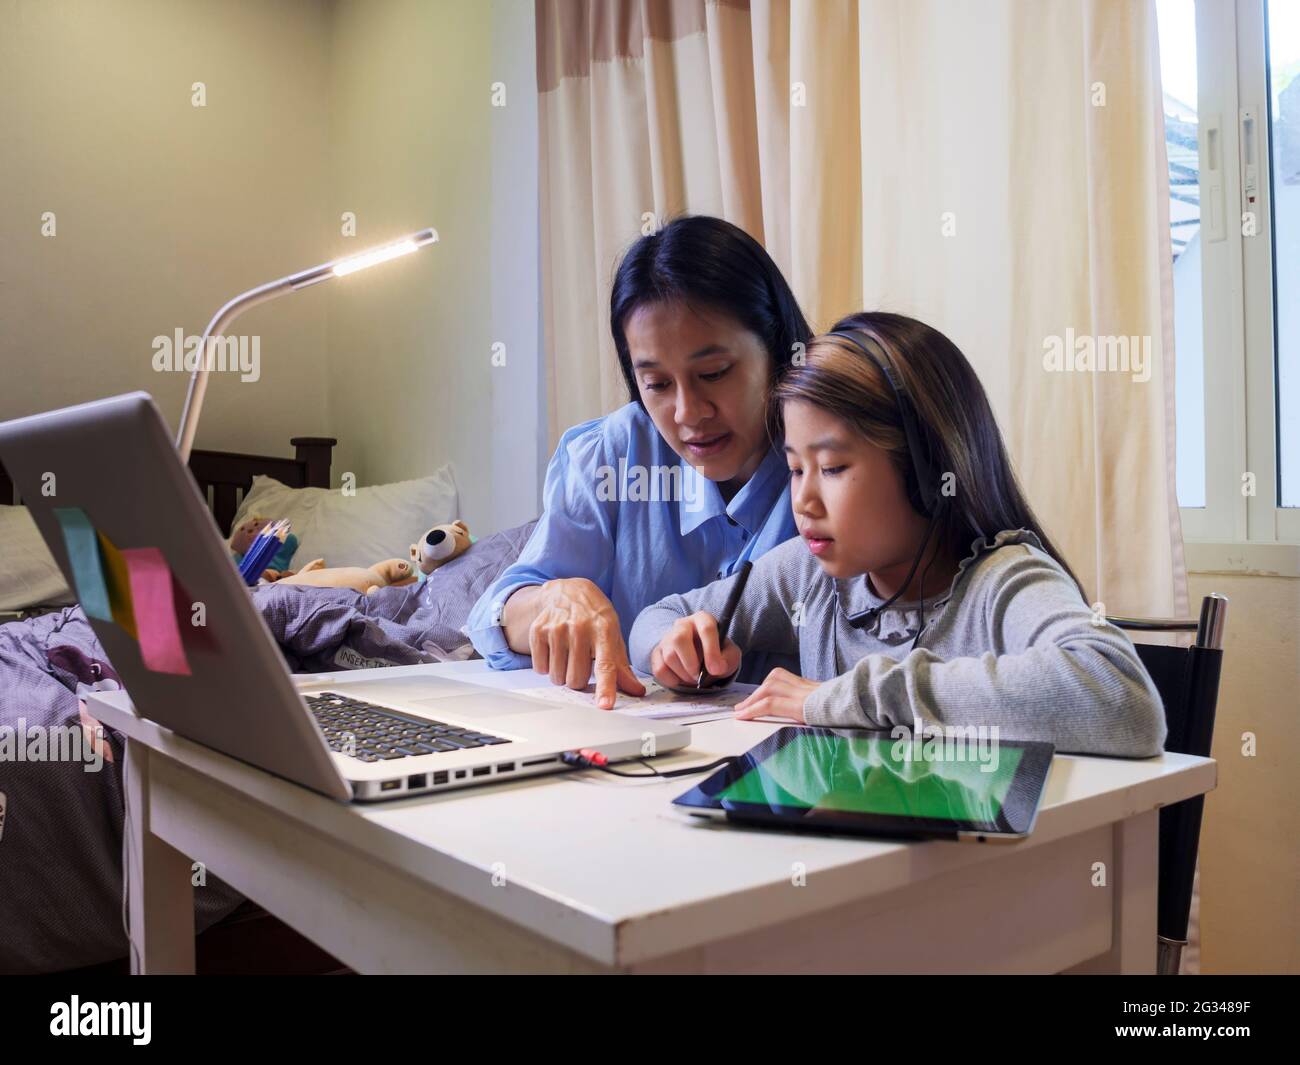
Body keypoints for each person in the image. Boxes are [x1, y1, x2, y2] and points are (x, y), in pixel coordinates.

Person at [629, 311, 1166, 757]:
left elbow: (1120, 699)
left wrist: (841, 698)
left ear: (927, 469)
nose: (804, 501)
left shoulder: (1003, 583)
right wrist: (672, 649)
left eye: (833, 467)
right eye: (795, 469)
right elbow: (658, 618)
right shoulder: (808, 574)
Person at [467, 216, 812, 708]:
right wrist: (551, 601)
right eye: (657, 384)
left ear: (778, 348)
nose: (689, 414)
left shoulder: (837, 456)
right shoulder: (612, 455)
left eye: (714, 373)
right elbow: (494, 615)